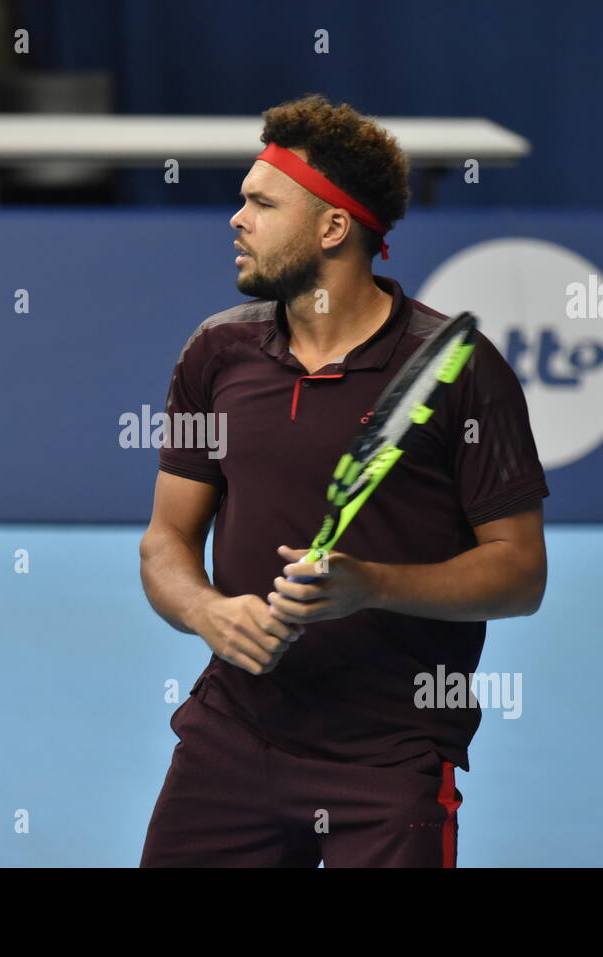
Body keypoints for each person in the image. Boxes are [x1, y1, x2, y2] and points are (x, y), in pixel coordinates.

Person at [138, 94, 549, 867]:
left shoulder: (459, 374)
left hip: (390, 762)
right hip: (231, 739)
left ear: (332, 228)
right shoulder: (214, 355)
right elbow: (166, 539)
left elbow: (521, 573)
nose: (237, 218)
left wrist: (372, 584)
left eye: (261, 202)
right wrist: (207, 611)